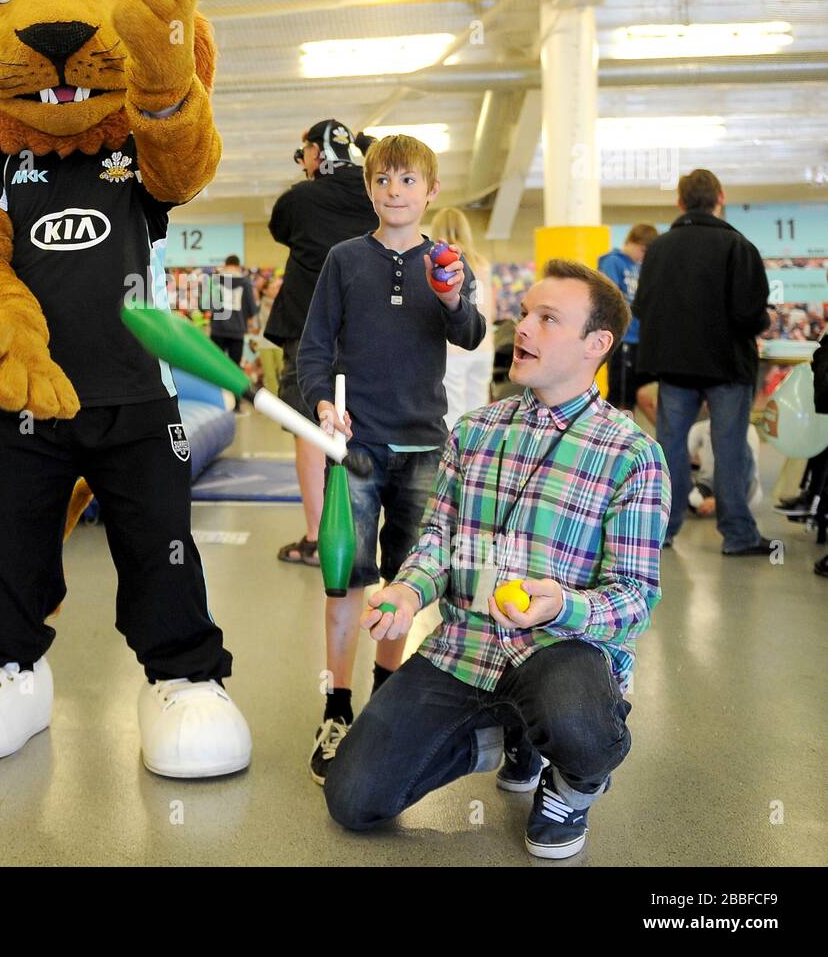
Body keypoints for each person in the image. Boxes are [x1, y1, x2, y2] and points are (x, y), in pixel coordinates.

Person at [325, 261, 668, 859]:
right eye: (526, 311)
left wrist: (562, 603)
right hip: (464, 650)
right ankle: (511, 734)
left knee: (582, 727)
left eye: (547, 318)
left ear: (598, 345)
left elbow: (637, 596)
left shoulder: (632, 454)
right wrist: (408, 592)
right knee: (353, 798)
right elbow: (438, 537)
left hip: (560, 651)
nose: (523, 327)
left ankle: (572, 783)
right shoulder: (475, 432)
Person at [296, 134, 486, 783]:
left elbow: (471, 334)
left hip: (425, 446)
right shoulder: (345, 260)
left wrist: (455, 295)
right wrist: (323, 404)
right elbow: (314, 349)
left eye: (408, 182)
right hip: (356, 450)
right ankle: (337, 705)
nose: (394, 192)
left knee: (403, 586)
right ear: (369, 189)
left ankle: (384, 698)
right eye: (383, 181)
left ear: (431, 192)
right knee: (346, 580)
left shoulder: (446, 262)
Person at [634, 169, 775, 555]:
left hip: (674, 365)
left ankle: (663, 531)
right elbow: (750, 314)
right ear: (721, 197)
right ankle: (738, 535)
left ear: (679, 202)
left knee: (670, 447)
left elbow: (642, 306)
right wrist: (766, 320)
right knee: (729, 447)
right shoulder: (738, 246)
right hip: (727, 366)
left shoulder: (659, 249)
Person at [265, 120, 377, 566]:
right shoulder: (374, 192)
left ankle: (316, 537)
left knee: (312, 429)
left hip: (307, 328)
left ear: (314, 152)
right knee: (363, 427)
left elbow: (280, 229)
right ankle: (366, 533)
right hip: (365, 329)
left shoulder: (300, 199)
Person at [431, 206, 495, 431]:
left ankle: (453, 465)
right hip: (484, 347)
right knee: (479, 417)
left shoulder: (440, 266)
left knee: (453, 417)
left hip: (453, 350)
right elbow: (490, 310)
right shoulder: (482, 263)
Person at [598, 224, 659, 409]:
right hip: (624, 338)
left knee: (639, 393)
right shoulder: (613, 262)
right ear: (632, 243)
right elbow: (611, 298)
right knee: (621, 397)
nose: (643, 256)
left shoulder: (638, 266)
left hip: (640, 338)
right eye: (642, 250)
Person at [687, 418, 761, 515]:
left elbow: (748, 470)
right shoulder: (700, 428)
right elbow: (681, 458)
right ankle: (708, 502)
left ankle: (724, 501)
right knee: (693, 499)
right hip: (708, 483)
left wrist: (719, 500)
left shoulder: (748, 430)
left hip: (741, 485)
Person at [203, 254, 257, 367]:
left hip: (218, 328)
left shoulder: (216, 280)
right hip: (238, 330)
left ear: (225, 265)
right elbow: (252, 308)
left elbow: (206, 305)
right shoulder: (246, 283)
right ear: (238, 266)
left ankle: (216, 385)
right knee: (235, 367)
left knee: (215, 364)